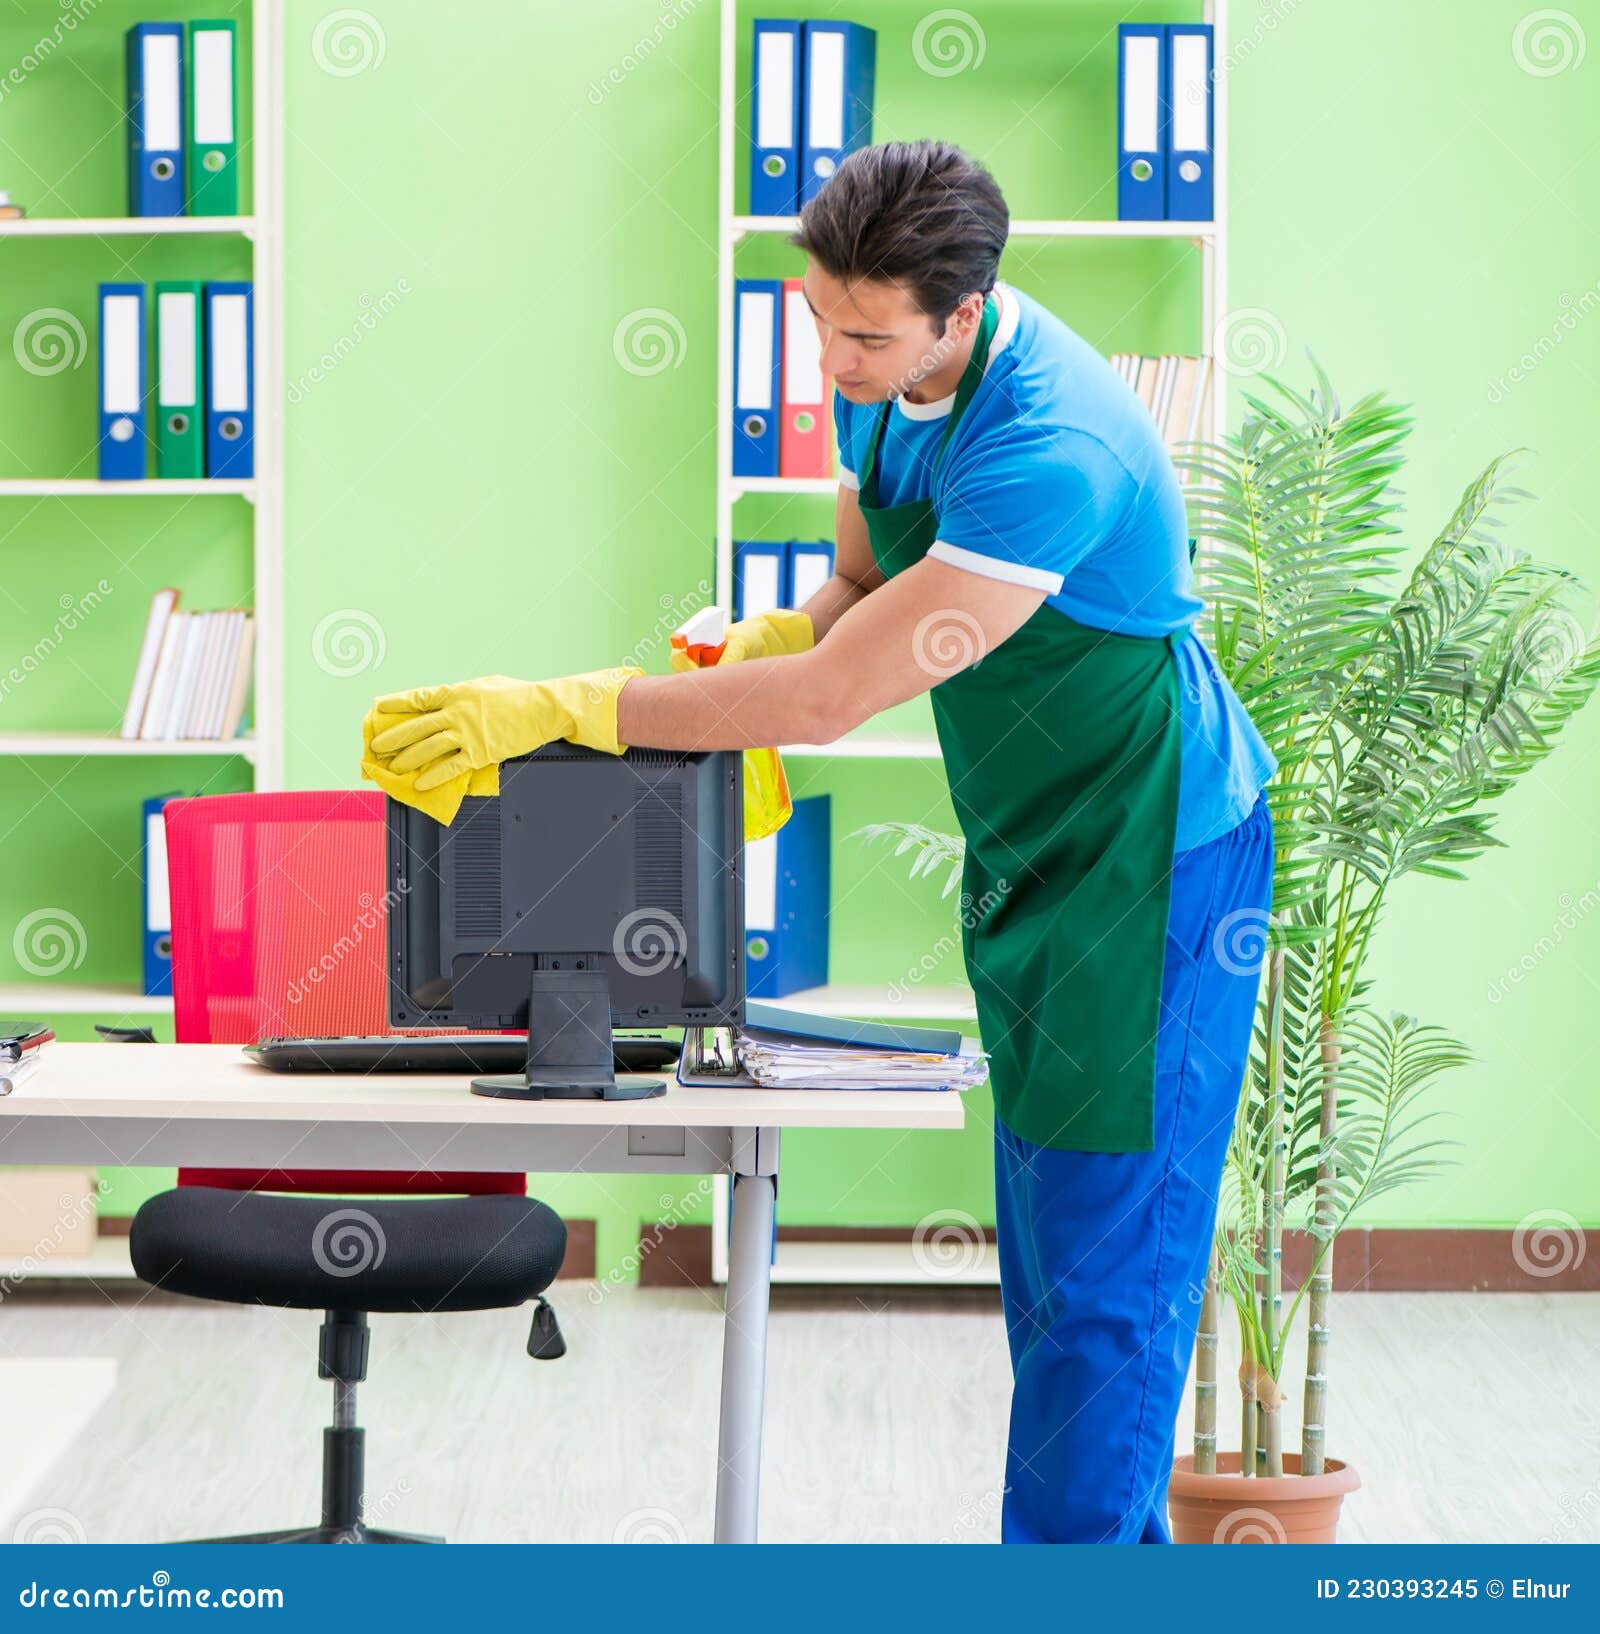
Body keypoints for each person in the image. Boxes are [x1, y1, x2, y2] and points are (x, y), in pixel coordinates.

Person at [362, 139, 1276, 1544]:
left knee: (1112, 1276)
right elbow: (856, 591)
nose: (833, 359)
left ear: (962, 310)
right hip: (1035, 845)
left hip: (1151, 855)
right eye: (817, 321)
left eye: (865, 334)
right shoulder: (891, 383)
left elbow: (844, 693)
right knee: (1054, 1266)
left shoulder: (1055, 443)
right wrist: (759, 643)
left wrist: (585, 706)